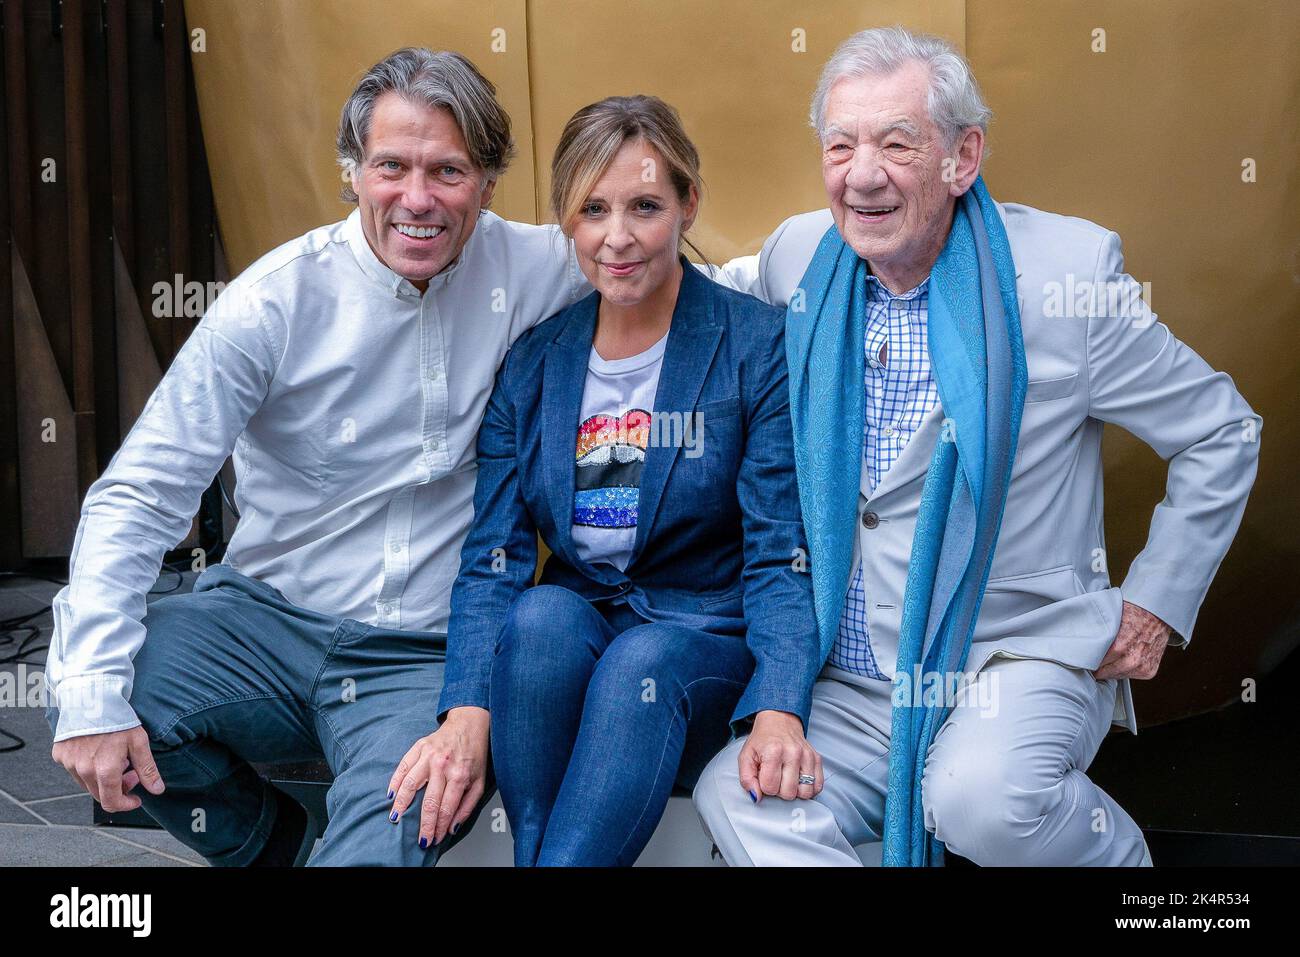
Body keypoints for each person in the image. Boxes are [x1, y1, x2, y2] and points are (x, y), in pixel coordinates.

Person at [695, 26, 1262, 866]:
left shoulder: (1065, 281)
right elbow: (683, 298)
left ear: (963, 158)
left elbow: (1222, 428)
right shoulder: (798, 258)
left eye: (896, 144)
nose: (862, 175)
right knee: (739, 793)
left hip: (1013, 655)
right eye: (841, 145)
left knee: (979, 799)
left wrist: (1155, 601)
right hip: (851, 678)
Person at [45, 47, 589, 866]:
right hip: (262, 619)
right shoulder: (274, 302)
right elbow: (140, 494)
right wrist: (88, 694)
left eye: (448, 171)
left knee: (402, 813)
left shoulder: (542, 266)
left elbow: (681, 271)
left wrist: (824, 253)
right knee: (110, 692)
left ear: (487, 179)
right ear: (354, 172)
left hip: (423, 653)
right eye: (391, 166)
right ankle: (273, 844)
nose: (418, 198)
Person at [397, 94, 822, 866]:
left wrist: (781, 706)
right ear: (566, 218)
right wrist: (464, 706)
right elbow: (492, 558)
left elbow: (779, 551)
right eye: (593, 209)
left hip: (701, 645)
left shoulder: (754, 346)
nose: (617, 237)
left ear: (688, 205)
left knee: (641, 661)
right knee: (540, 620)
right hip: (578, 645)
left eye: (645, 206)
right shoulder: (534, 362)